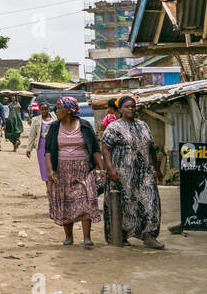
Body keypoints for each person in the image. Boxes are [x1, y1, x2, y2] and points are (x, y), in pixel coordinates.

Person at [101, 95, 165, 249]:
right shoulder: (114, 127)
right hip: (122, 173)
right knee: (125, 205)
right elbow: (106, 149)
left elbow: (151, 149)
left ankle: (149, 236)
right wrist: (110, 169)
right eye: (127, 106)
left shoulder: (143, 125)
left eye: (133, 106)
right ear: (120, 109)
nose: (131, 109)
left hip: (144, 173)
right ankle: (120, 235)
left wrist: (157, 169)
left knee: (151, 202)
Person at [45, 96, 105, 248]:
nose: (56, 111)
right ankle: (69, 237)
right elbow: (48, 151)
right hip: (62, 170)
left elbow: (95, 149)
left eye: (59, 108)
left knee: (86, 200)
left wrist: (102, 168)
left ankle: (87, 237)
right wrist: (51, 170)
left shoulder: (84, 125)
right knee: (66, 202)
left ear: (69, 110)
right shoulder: (54, 127)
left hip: (84, 169)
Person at [25, 100, 55, 182]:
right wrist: (29, 149)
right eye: (42, 109)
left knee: (55, 165)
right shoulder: (36, 120)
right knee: (44, 166)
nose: (44, 111)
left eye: (46, 109)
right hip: (42, 145)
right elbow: (32, 135)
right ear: (39, 110)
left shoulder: (55, 117)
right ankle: (48, 187)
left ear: (49, 109)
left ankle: (54, 187)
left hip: (54, 145)